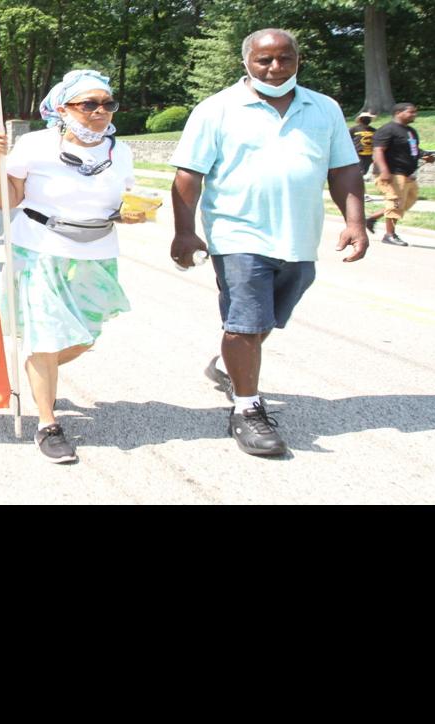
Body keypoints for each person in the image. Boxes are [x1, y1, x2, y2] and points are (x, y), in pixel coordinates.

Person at [168, 28, 366, 457]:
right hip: (237, 233)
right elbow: (188, 175)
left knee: (261, 321)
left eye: (285, 59)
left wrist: (355, 222)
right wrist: (185, 231)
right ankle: (247, 409)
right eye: (264, 60)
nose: (275, 68)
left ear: (298, 60)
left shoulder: (325, 108)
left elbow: (344, 170)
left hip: (298, 237)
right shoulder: (217, 109)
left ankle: (228, 367)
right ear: (247, 62)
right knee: (244, 320)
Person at [0, 69, 144, 464]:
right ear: (63, 108)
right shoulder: (36, 145)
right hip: (39, 249)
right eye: (88, 104)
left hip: (96, 251)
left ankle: (42, 366)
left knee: (85, 336)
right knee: (46, 336)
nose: (100, 111)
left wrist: (129, 214)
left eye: (107, 104)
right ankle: (47, 422)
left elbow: (117, 200)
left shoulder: (118, 151)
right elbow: (8, 201)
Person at [366, 102, 435, 247]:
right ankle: (389, 234)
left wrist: (425, 156)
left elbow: (413, 149)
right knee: (395, 202)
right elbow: (378, 150)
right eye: (411, 112)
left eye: (414, 112)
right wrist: (384, 171)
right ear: (398, 112)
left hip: (407, 174)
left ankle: (372, 218)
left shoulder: (410, 131)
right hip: (392, 173)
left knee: (407, 201)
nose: (414, 115)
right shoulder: (387, 130)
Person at [350, 111, 377, 178]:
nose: (367, 119)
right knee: (359, 168)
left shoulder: (373, 130)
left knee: (366, 169)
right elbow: (348, 139)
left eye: (368, 118)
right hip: (358, 153)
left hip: (369, 153)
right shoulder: (354, 129)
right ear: (360, 119)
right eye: (365, 118)